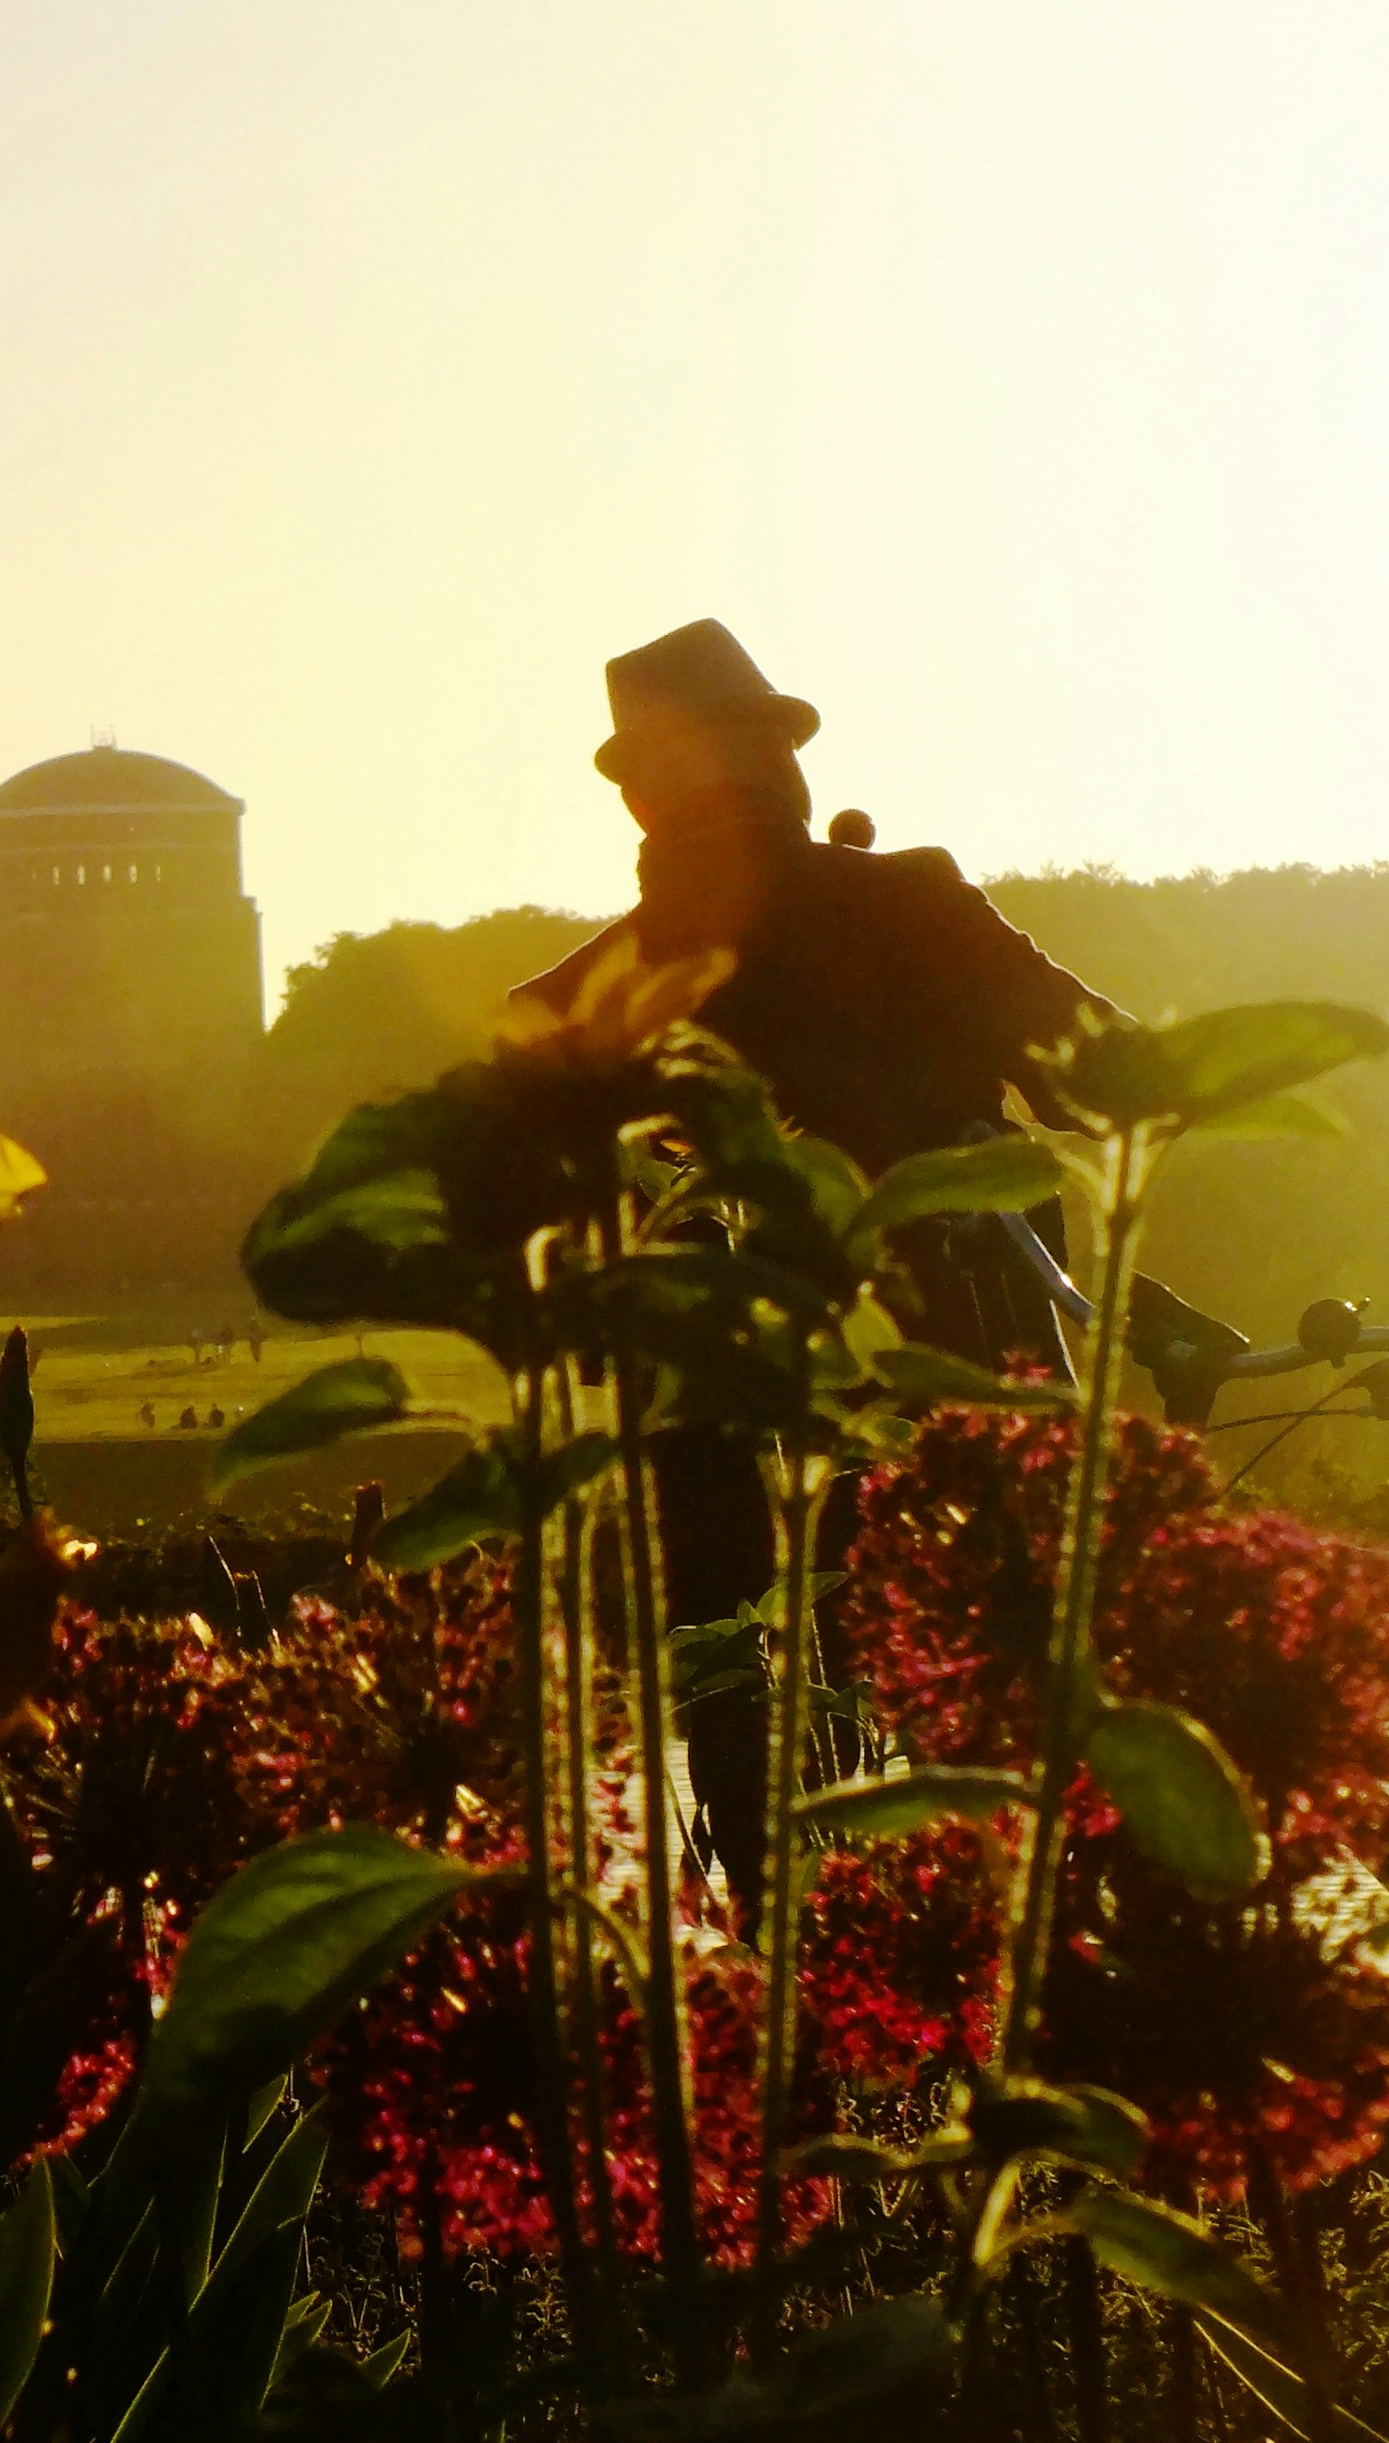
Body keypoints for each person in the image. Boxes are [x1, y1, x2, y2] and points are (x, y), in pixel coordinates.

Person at [519, 620, 1237, 1917]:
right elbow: (1122, 1076)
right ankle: (1074, 1945)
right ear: (777, 763)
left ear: (640, 791)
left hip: (722, 1446)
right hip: (959, 1386)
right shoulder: (912, 899)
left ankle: (790, 1969)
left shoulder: (586, 995)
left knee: (731, 1674)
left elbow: (522, 1193)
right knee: (1021, 1687)